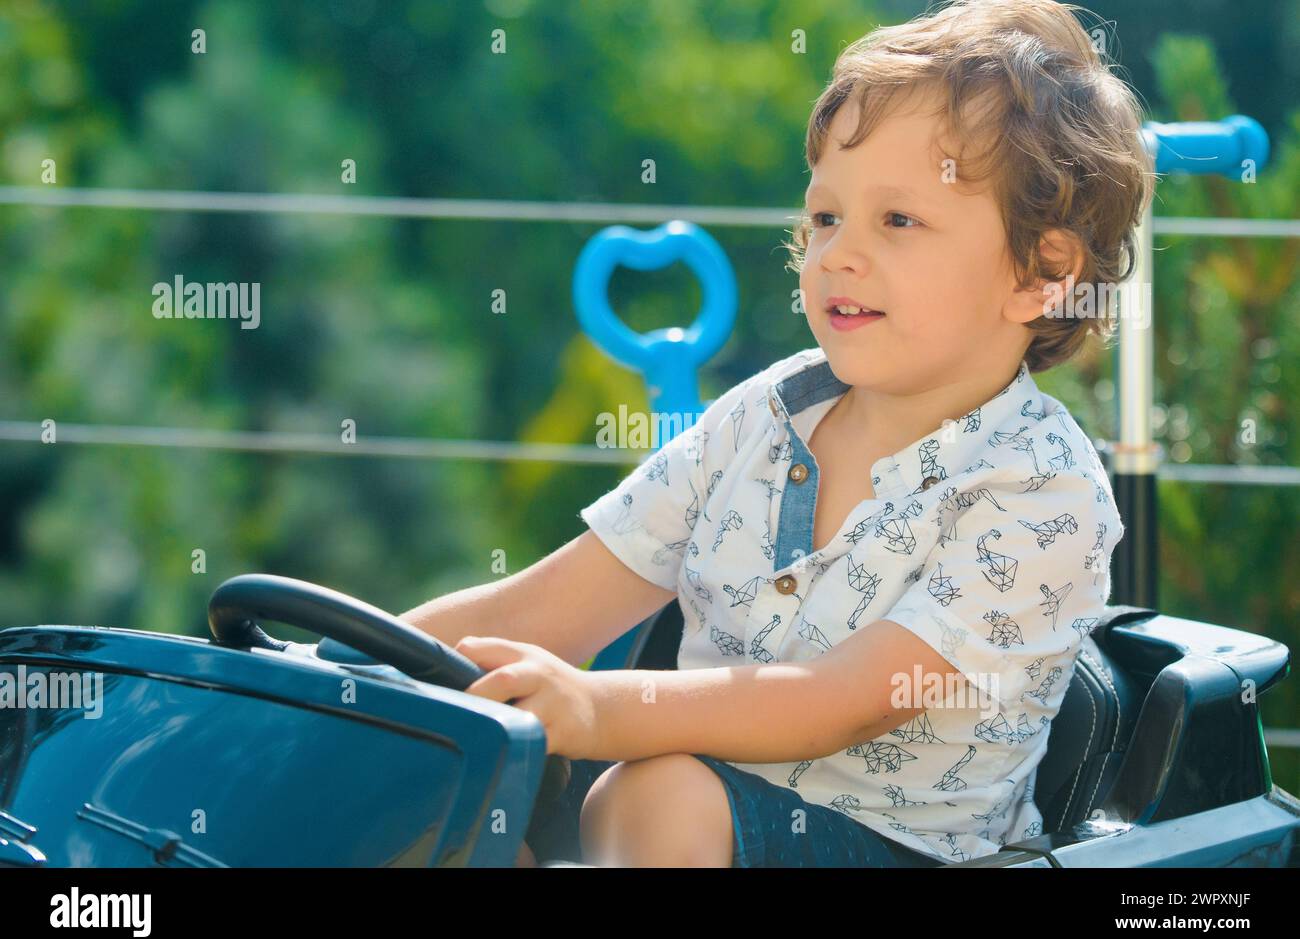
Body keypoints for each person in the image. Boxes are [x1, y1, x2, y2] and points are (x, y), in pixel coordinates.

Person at [402, 0, 1150, 867]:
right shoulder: (765, 415)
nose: (836, 254)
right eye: (826, 217)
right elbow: (541, 609)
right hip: (687, 822)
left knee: (657, 791)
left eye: (897, 221)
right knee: (420, 805)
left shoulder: (1039, 488)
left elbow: (843, 699)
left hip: (902, 848)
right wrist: (326, 667)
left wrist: (599, 709)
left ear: (1041, 273)